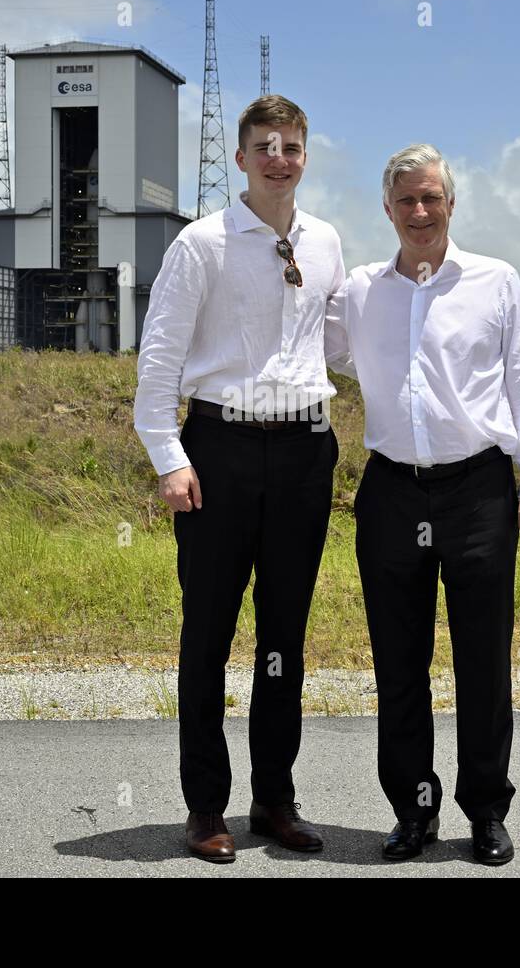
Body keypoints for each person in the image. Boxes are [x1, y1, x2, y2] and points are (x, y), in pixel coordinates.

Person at [324, 143, 520, 865]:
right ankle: (413, 811)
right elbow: (319, 349)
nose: (419, 212)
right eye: (406, 200)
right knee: (400, 664)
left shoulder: (495, 281)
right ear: (386, 209)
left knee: (482, 661)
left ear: (451, 204)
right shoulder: (360, 290)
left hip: (479, 489)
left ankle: (486, 810)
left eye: (431, 198)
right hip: (392, 490)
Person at [133, 95, 346, 863]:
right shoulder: (203, 244)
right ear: (241, 158)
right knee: (208, 635)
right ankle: (205, 808)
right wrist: (170, 458)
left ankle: (274, 802)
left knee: (284, 637)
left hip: (305, 452)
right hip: (218, 450)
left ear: (304, 156)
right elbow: (159, 358)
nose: (277, 159)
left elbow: (339, 343)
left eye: (290, 147)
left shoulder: (326, 242)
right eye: (264, 147)